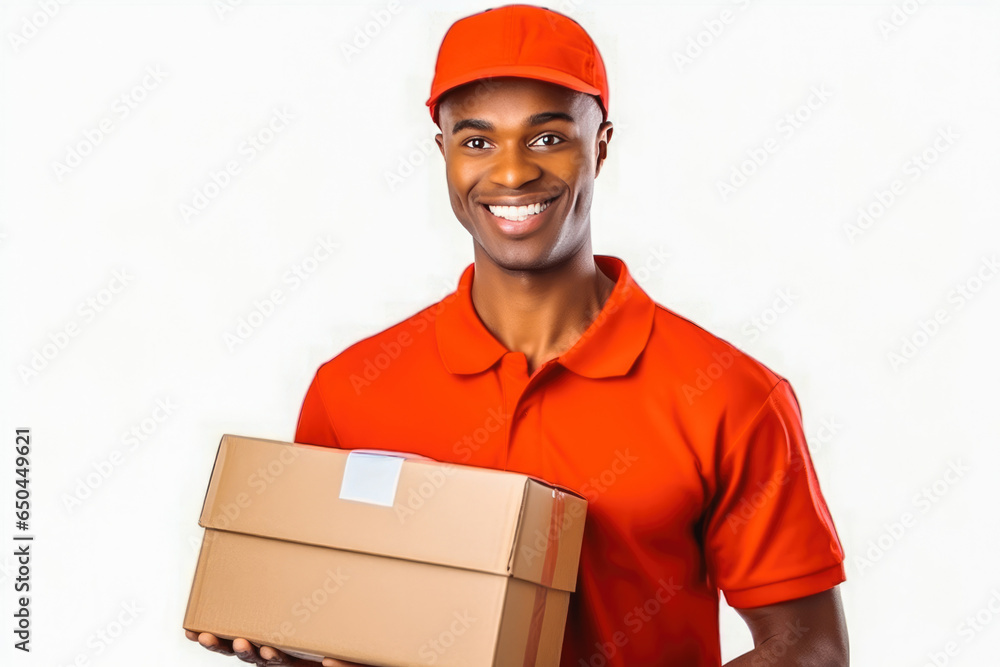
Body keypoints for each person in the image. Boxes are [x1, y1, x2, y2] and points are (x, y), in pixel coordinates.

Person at [186, 4, 849, 666]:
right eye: (477, 141)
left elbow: (809, 649)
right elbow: (329, 608)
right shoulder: (351, 389)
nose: (510, 173)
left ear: (602, 143)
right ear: (442, 151)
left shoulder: (729, 395)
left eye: (546, 138)